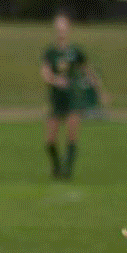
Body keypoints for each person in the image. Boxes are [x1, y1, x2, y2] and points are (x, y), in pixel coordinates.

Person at [40, 12, 107, 180]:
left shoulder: (76, 52)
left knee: (71, 136)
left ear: (68, 29)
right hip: (57, 100)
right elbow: (45, 74)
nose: (61, 30)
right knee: (50, 140)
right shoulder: (50, 52)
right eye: (58, 27)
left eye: (63, 27)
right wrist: (56, 80)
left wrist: (101, 92)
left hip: (72, 99)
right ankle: (56, 167)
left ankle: (67, 172)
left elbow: (89, 72)